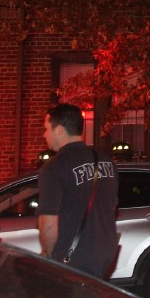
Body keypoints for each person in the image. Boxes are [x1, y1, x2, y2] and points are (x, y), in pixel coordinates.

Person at [37, 103, 119, 279]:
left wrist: (48, 254)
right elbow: (111, 208)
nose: (44, 135)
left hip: (74, 259)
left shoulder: (53, 168)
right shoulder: (106, 162)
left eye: (46, 129)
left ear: (59, 130)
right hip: (105, 253)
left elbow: (48, 223)